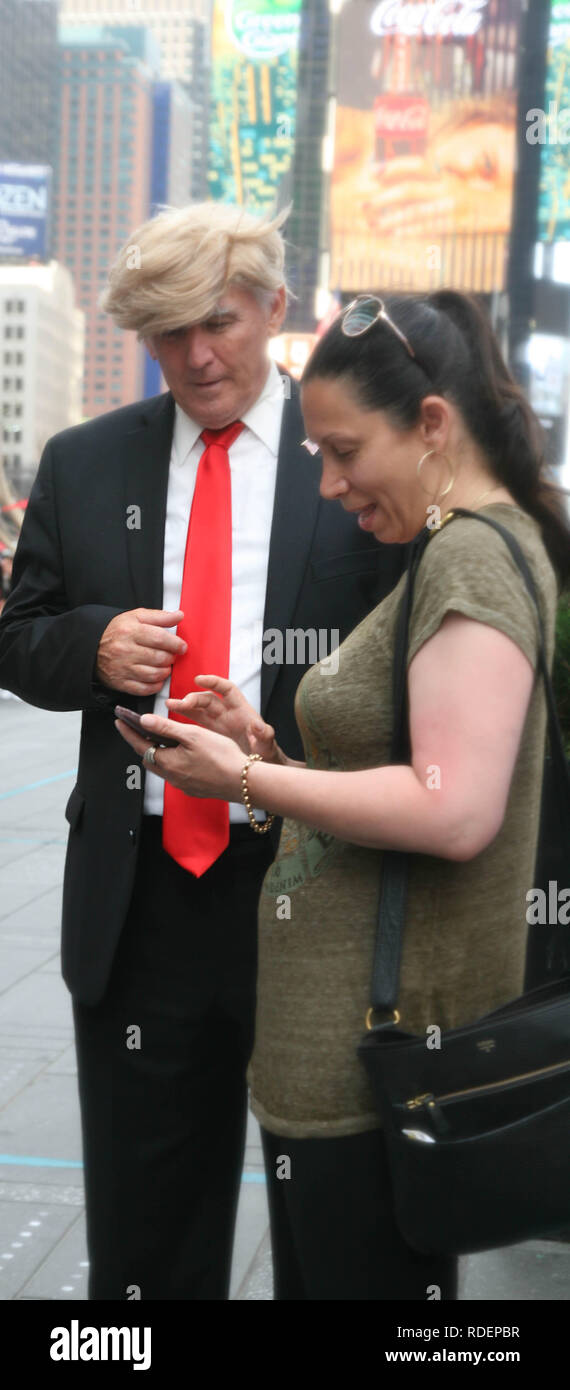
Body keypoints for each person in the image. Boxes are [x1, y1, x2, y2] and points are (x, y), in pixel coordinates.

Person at [116, 289, 570, 1301]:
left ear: (434, 425)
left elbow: (454, 810)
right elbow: (415, 778)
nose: (326, 484)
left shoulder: (469, 557)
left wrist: (239, 777)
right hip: (352, 1058)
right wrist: (268, 747)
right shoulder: (454, 548)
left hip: (378, 1061)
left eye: (345, 450)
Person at [0, 209, 406, 1300]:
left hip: (305, 889)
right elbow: (16, 634)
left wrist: (288, 750)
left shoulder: (350, 463)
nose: (197, 355)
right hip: (140, 909)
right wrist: (92, 645)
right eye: (168, 332)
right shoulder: (86, 462)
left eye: (218, 323)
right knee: (145, 1236)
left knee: (330, 1226)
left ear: (276, 308)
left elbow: (407, 671)